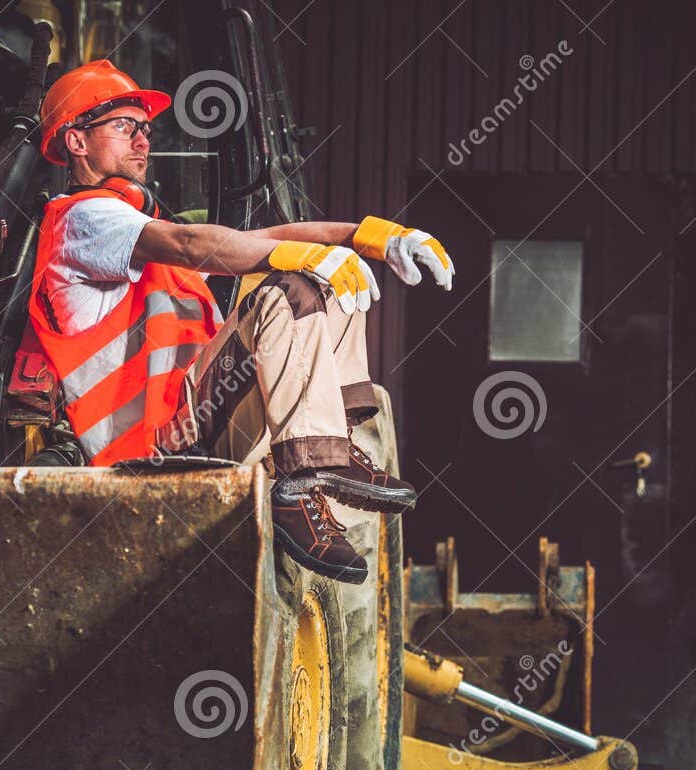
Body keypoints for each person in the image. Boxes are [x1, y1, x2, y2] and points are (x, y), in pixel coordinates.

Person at [29, 61, 455, 583]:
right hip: (151, 445)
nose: (143, 141)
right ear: (76, 140)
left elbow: (266, 236)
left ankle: (330, 454)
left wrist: (369, 237)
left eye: (146, 129)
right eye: (124, 126)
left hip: (193, 425)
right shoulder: (84, 219)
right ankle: (304, 480)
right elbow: (196, 244)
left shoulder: (138, 229)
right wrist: (301, 257)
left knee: (337, 283)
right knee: (294, 287)